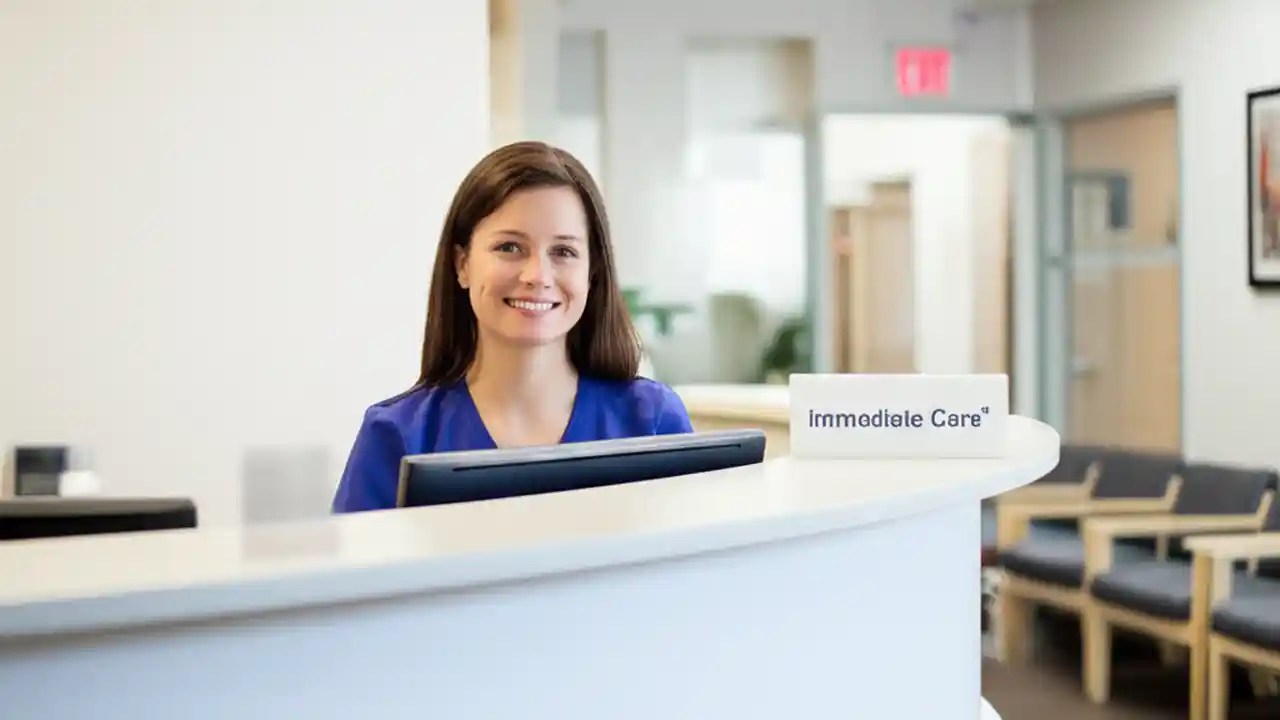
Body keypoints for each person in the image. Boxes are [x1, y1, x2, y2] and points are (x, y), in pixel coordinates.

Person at [331, 141, 693, 513]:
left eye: (563, 252)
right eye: (509, 247)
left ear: (592, 273)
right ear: (462, 264)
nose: (537, 275)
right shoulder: (395, 435)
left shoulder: (652, 421)